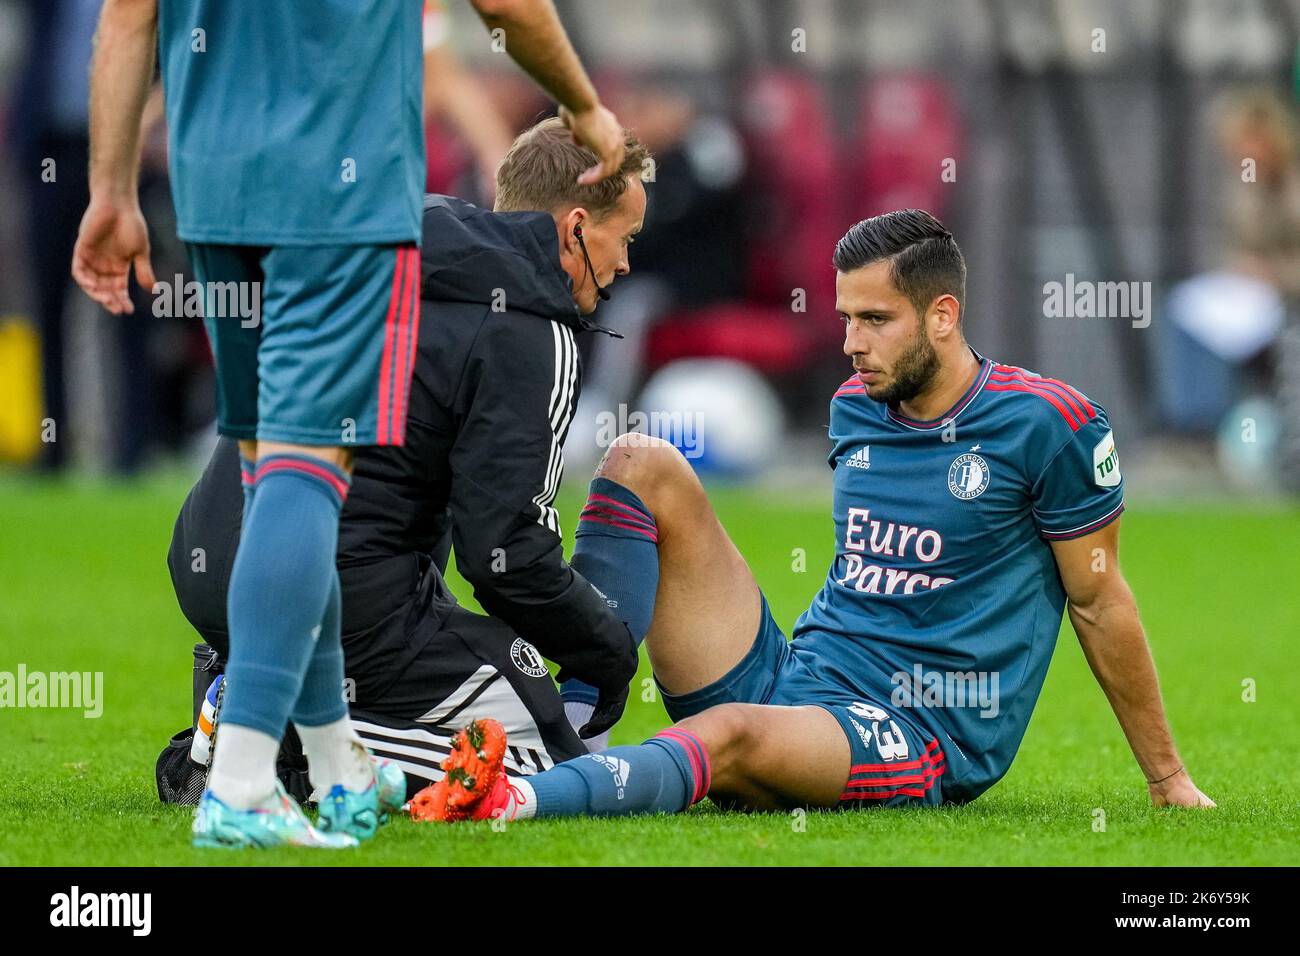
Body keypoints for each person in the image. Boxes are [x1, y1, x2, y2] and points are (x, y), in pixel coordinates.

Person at [410, 209, 1217, 823]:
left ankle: (525, 799)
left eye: (875, 320)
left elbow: (1099, 600)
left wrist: (1167, 779)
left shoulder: (1051, 424)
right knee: (639, 460)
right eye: (844, 319)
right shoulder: (854, 409)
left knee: (727, 736)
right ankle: (579, 727)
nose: (851, 344)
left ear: (943, 315)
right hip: (792, 675)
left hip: (916, 728)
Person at [71, 0, 627, 849]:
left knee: (271, 465)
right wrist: (584, 105)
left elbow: (124, 18)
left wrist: (110, 190)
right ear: (578, 224)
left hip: (212, 188)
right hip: (339, 194)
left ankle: (327, 758)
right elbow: (506, 9)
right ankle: (255, 775)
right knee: (307, 476)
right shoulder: (523, 316)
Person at [159, 119, 650, 807]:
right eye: (623, 239)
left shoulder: (399, 233)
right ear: (574, 229)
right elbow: (504, 553)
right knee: (548, 762)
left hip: (209, 552)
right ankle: (274, 738)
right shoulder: (532, 327)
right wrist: (608, 649)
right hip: (337, 588)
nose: (626, 264)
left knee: (468, 644)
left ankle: (246, 694)